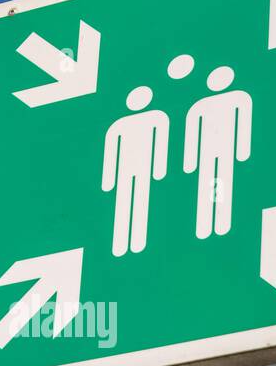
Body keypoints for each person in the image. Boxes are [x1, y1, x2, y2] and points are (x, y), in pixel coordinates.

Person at [183, 66, 252, 239]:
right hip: (206, 153)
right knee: (209, 184)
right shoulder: (200, 105)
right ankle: (205, 223)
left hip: (225, 150)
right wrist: (190, 161)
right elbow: (192, 129)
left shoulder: (238, 98)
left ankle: (220, 221)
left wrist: (242, 151)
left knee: (221, 182)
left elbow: (243, 122)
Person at [102, 86, 170, 257]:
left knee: (140, 200)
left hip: (142, 171)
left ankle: (137, 240)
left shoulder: (156, 118)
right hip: (124, 172)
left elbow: (160, 143)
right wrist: (108, 180)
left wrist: (159, 170)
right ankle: (121, 243)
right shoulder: (120, 125)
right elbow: (111, 148)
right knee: (125, 204)